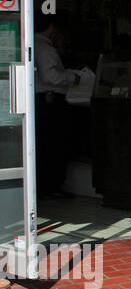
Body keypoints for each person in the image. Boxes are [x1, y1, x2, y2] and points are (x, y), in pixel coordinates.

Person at [34, 14, 81, 198]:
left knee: (44, 144)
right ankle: (50, 186)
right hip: (49, 101)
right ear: (51, 28)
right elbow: (50, 76)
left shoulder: (32, 44)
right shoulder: (44, 48)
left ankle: (44, 186)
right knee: (53, 144)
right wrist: (71, 77)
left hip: (42, 101)